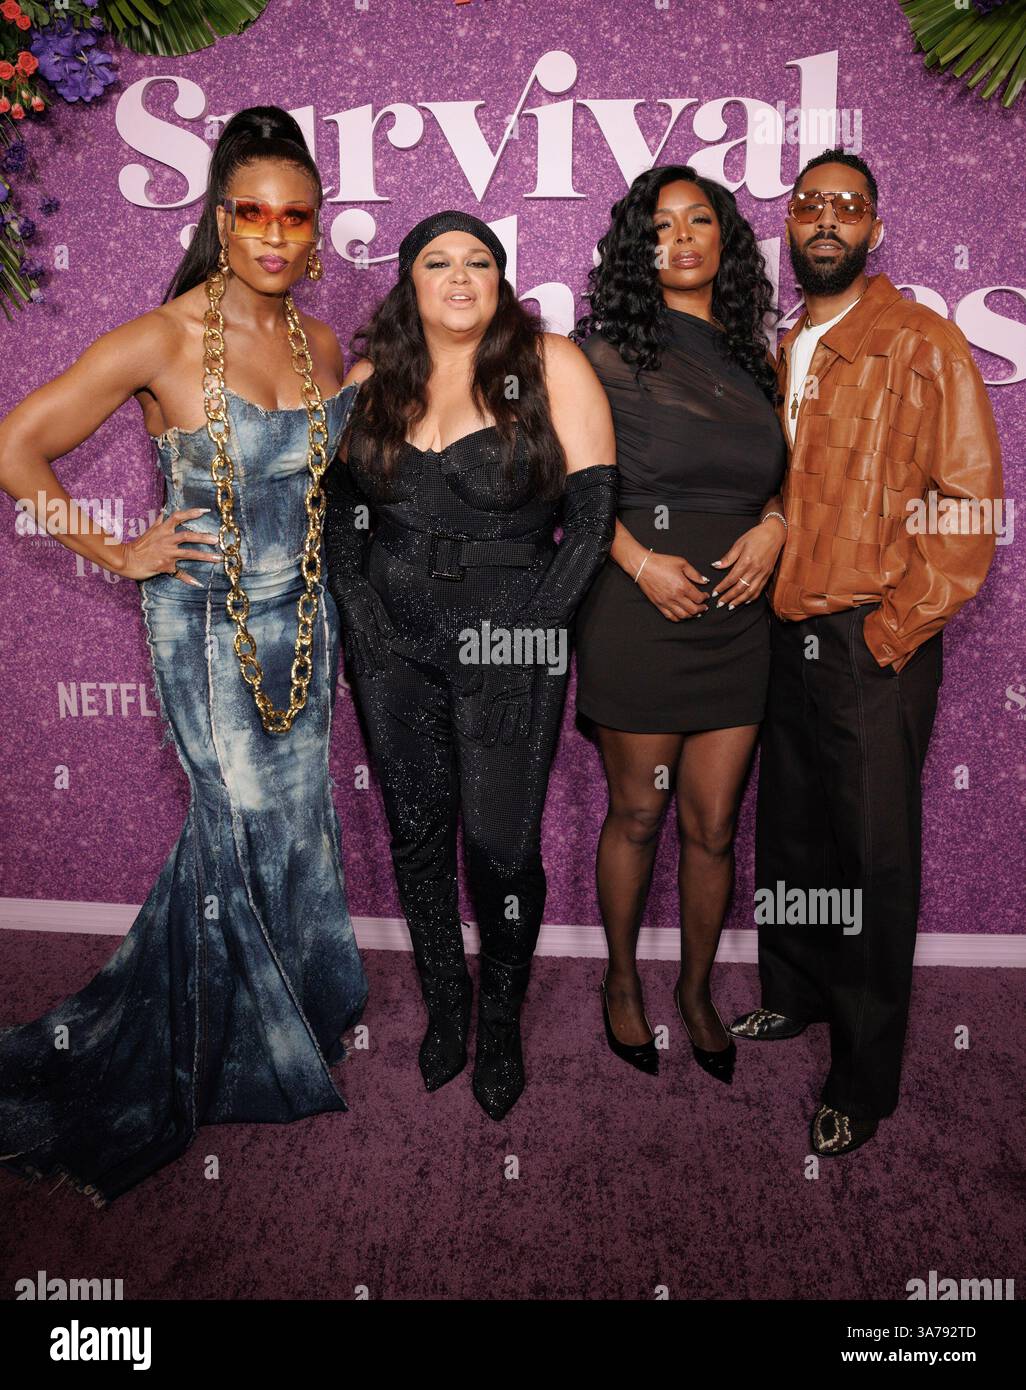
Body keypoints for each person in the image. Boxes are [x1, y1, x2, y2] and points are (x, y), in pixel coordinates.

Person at [0, 107, 368, 1206]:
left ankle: (282, 1014)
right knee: (237, 818)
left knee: (295, 824)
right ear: (220, 218)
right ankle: (238, 1047)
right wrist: (118, 550)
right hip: (203, 624)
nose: (274, 234)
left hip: (304, 623)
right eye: (252, 211)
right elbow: (17, 445)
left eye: (295, 217)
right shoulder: (164, 335)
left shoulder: (327, 346)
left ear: (315, 233)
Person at [729, 148, 1003, 1155]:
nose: (828, 221)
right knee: (797, 827)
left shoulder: (919, 341)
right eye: (810, 207)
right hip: (786, 626)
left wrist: (895, 627)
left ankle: (864, 1073)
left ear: (875, 230)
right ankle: (795, 991)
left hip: (870, 635)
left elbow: (969, 500)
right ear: (791, 229)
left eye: (849, 207)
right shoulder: (788, 342)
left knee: (873, 853)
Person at [323, 210, 618, 1121]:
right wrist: (363, 617)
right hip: (392, 645)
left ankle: (501, 1019)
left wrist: (532, 631)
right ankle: (446, 1008)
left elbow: (593, 522)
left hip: (512, 643)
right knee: (416, 835)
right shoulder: (373, 379)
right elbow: (340, 516)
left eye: (479, 261)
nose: (460, 276)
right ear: (408, 279)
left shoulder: (551, 363)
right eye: (438, 261)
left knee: (498, 847)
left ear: (501, 276)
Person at [571, 166, 787, 1084]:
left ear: (726, 242)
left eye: (703, 220)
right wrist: (641, 562)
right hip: (638, 606)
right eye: (662, 224)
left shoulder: (758, 355)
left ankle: (696, 990)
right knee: (637, 810)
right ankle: (622, 982)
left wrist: (776, 527)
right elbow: (574, 488)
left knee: (714, 825)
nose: (685, 236)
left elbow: (787, 473)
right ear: (637, 243)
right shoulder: (598, 352)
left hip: (739, 615)